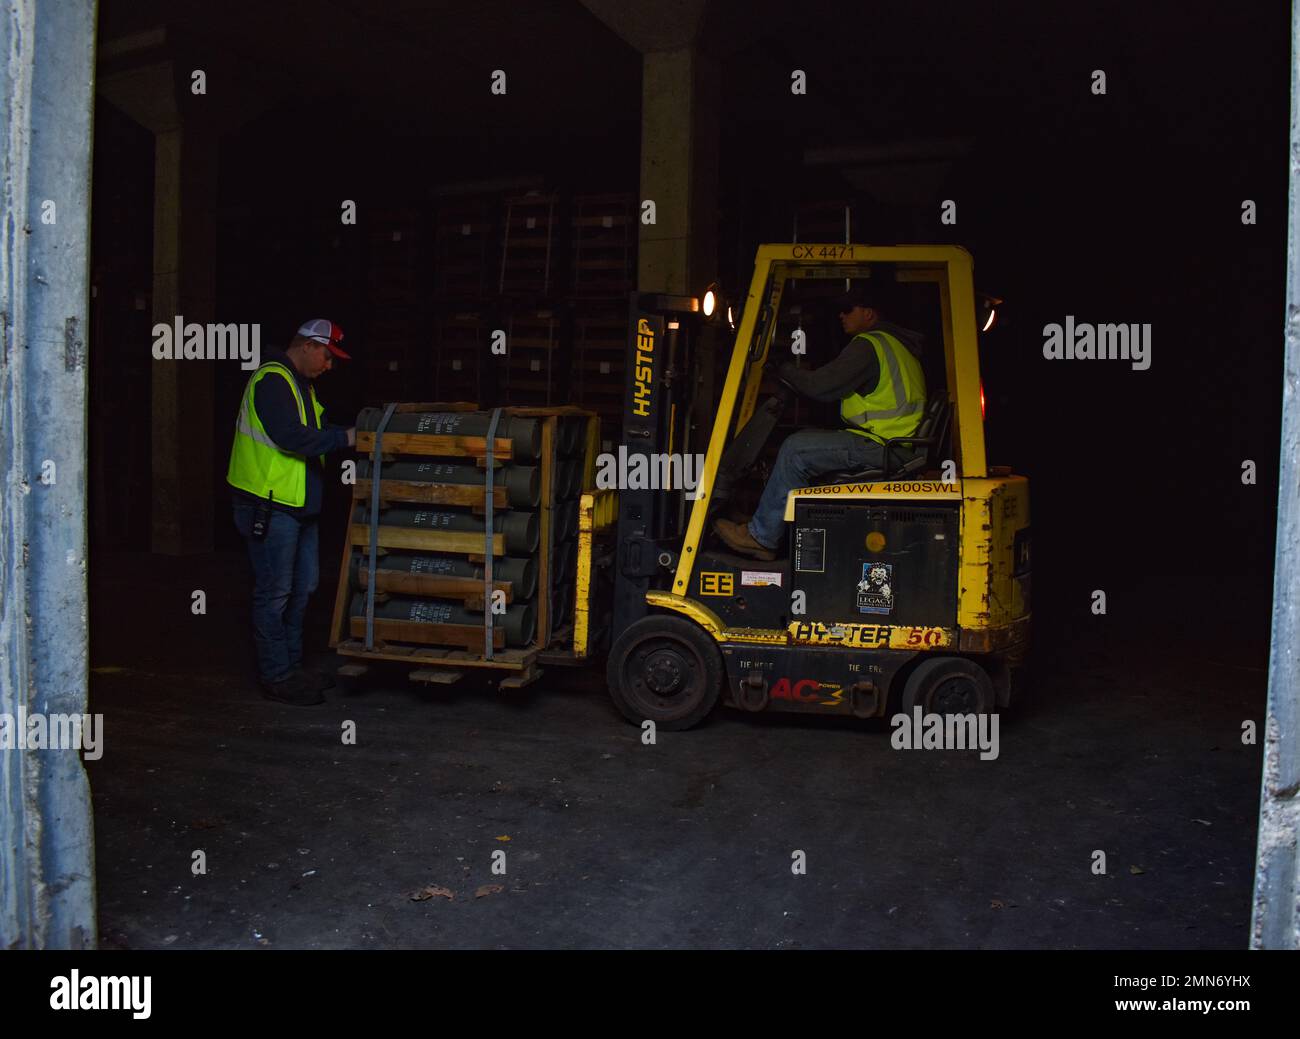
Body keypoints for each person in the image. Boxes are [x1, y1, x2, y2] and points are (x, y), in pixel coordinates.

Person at [714, 285, 927, 560]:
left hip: (882, 446)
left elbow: (822, 387)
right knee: (807, 440)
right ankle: (767, 518)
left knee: (796, 449)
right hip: (893, 444)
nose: (841, 315)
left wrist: (782, 367)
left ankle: (762, 537)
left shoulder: (869, 345)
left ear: (869, 313)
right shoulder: (898, 348)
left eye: (848, 309)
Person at [227, 319, 356, 705]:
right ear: (306, 345)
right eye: (327, 356)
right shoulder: (272, 381)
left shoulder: (301, 385)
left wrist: (349, 430)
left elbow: (315, 427)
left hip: (298, 505)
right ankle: (277, 675)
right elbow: (292, 437)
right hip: (269, 505)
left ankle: (293, 666)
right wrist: (345, 438)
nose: (329, 366)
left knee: (303, 588)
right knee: (275, 592)